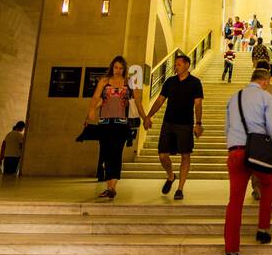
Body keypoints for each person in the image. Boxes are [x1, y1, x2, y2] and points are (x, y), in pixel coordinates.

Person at [223, 65, 272, 255]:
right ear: (265, 82)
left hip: (235, 151)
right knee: (268, 184)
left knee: (235, 202)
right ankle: (263, 230)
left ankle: (231, 252)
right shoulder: (265, 97)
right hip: (257, 152)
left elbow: (227, 128)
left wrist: (232, 149)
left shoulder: (234, 97)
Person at [143, 53, 204, 200]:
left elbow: (198, 104)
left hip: (185, 124)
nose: (176, 67)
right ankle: (171, 176)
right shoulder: (170, 82)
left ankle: (180, 189)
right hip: (168, 123)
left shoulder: (195, 83)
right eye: (175, 64)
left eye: (179, 64)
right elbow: (159, 101)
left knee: (185, 155)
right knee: (162, 155)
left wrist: (198, 123)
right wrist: (148, 116)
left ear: (187, 65)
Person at [87, 61, 145, 200]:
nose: (118, 70)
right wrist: (91, 111)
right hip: (105, 122)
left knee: (116, 154)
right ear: (112, 67)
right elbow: (96, 97)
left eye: (121, 68)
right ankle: (109, 187)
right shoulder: (104, 81)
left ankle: (113, 186)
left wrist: (145, 117)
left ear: (124, 69)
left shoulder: (129, 82)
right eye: (116, 67)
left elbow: (137, 101)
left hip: (121, 123)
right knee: (106, 154)